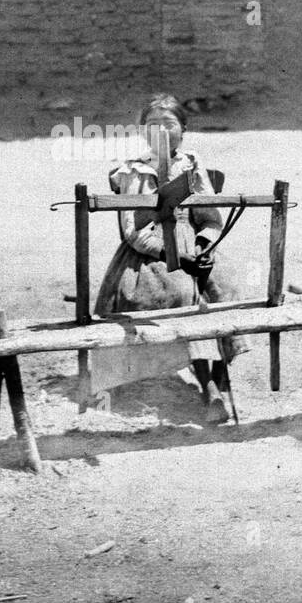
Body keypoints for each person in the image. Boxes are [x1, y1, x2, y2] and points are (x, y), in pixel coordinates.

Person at [93, 94, 247, 424]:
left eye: (169, 125)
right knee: (181, 291)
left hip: (193, 248)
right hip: (150, 255)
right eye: (153, 126)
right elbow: (133, 231)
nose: (161, 132)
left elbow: (210, 218)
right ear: (141, 132)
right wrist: (172, 254)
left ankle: (217, 384)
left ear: (184, 129)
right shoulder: (135, 171)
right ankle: (208, 388)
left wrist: (204, 247)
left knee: (227, 287)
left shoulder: (191, 164)